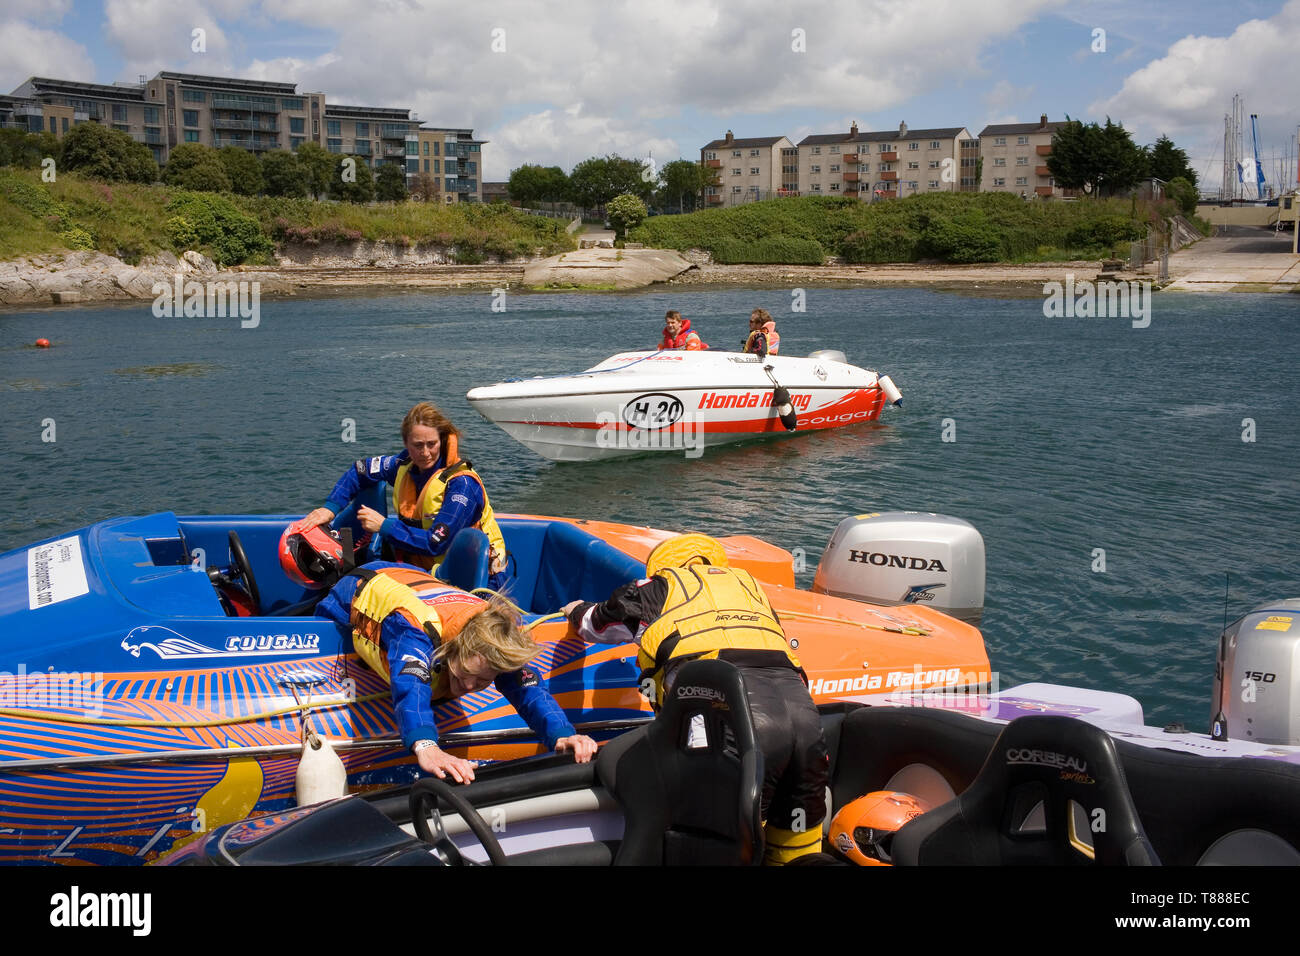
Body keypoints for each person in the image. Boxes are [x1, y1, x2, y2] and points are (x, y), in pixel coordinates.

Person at [561, 533, 828, 865]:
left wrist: (575, 610)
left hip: (738, 718)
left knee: (725, 843)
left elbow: (597, 624)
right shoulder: (750, 588)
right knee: (796, 844)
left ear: (663, 565)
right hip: (804, 717)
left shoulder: (656, 587)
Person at [317, 560, 597, 783]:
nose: (469, 686)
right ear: (455, 648)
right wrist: (426, 745)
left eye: (483, 680)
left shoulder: (496, 639)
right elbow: (410, 683)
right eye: (465, 672)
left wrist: (562, 734)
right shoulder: (414, 629)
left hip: (416, 579)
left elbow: (529, 689)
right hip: (359, 587)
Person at [299, 402, 509, 587]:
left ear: (442, 440)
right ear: (406, 444)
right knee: (358, 580)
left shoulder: (461, 485)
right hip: (426, 571)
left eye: (432, 444)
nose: (425, 453)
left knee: (367, 584)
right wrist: (330, 508)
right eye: (418, 445)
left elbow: (435, 542)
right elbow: (360, 471)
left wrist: (384, 526)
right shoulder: (403, 465)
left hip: (475, 580)